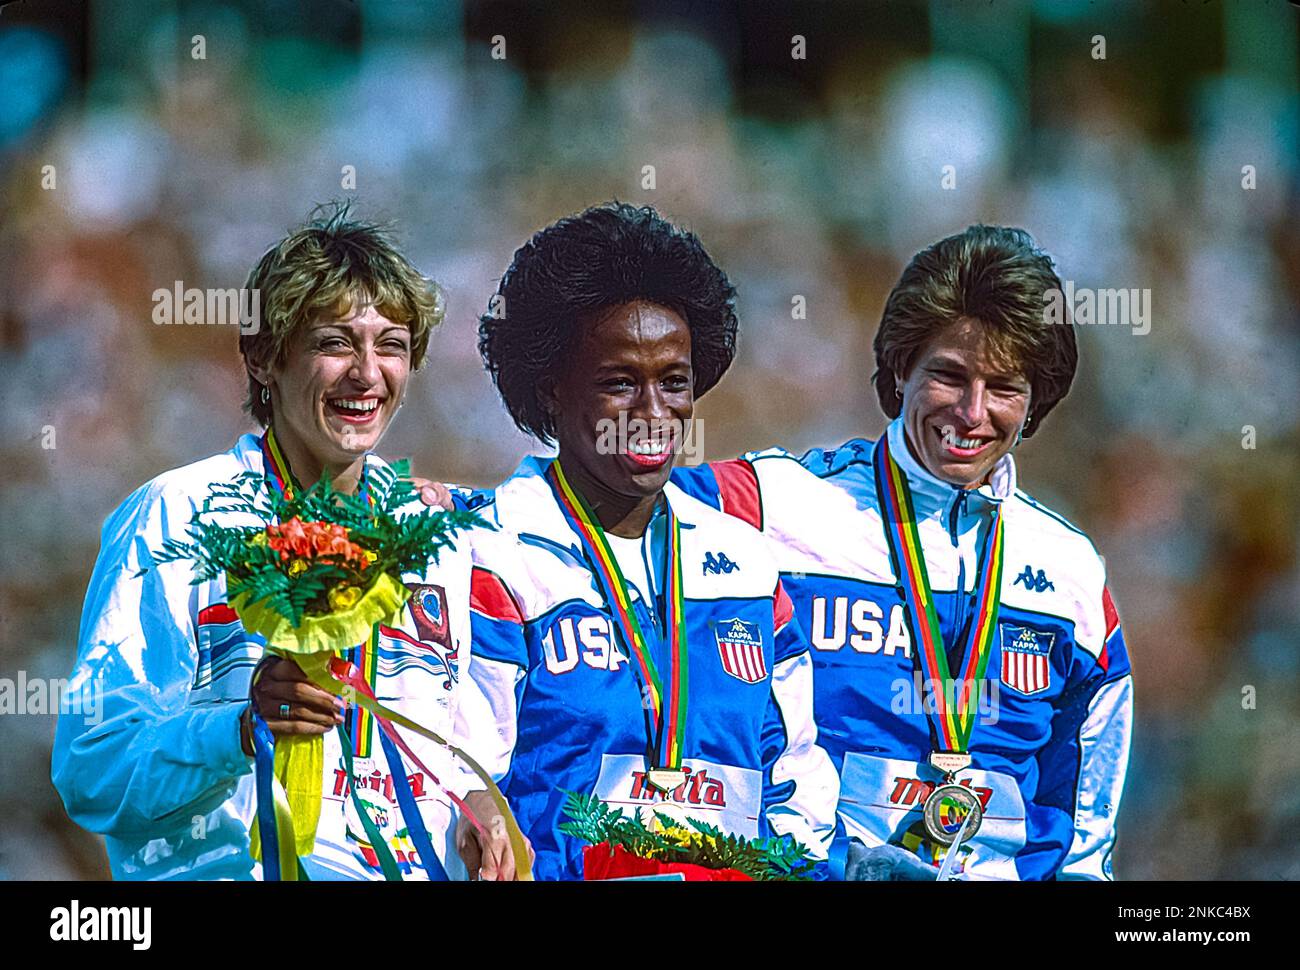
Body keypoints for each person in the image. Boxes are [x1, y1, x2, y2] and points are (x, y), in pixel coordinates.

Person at [51, 204, 505, 880]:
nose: (367, 372)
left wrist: (482, 804)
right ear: (264, 358)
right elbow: (91, 769)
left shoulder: (434, 535)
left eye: (392, 345)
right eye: (334, 342)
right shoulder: (175, 515)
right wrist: (238, 729)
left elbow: (469, 755)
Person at [672, 225, 1134, 880]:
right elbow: (592, 498)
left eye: (1004, 388)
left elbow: (1081, 835)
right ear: (899, 368)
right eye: (949, 376)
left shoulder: (1070, 573)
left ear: (1036, 401)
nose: (972, 414)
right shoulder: (777, 506)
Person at [454, 202, 838, 880]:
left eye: (674, 381)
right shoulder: (497, 553)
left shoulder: (745, 563)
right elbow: (465, 771)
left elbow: (795, 776)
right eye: (618, 383)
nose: (654, 414)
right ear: (550, 390)